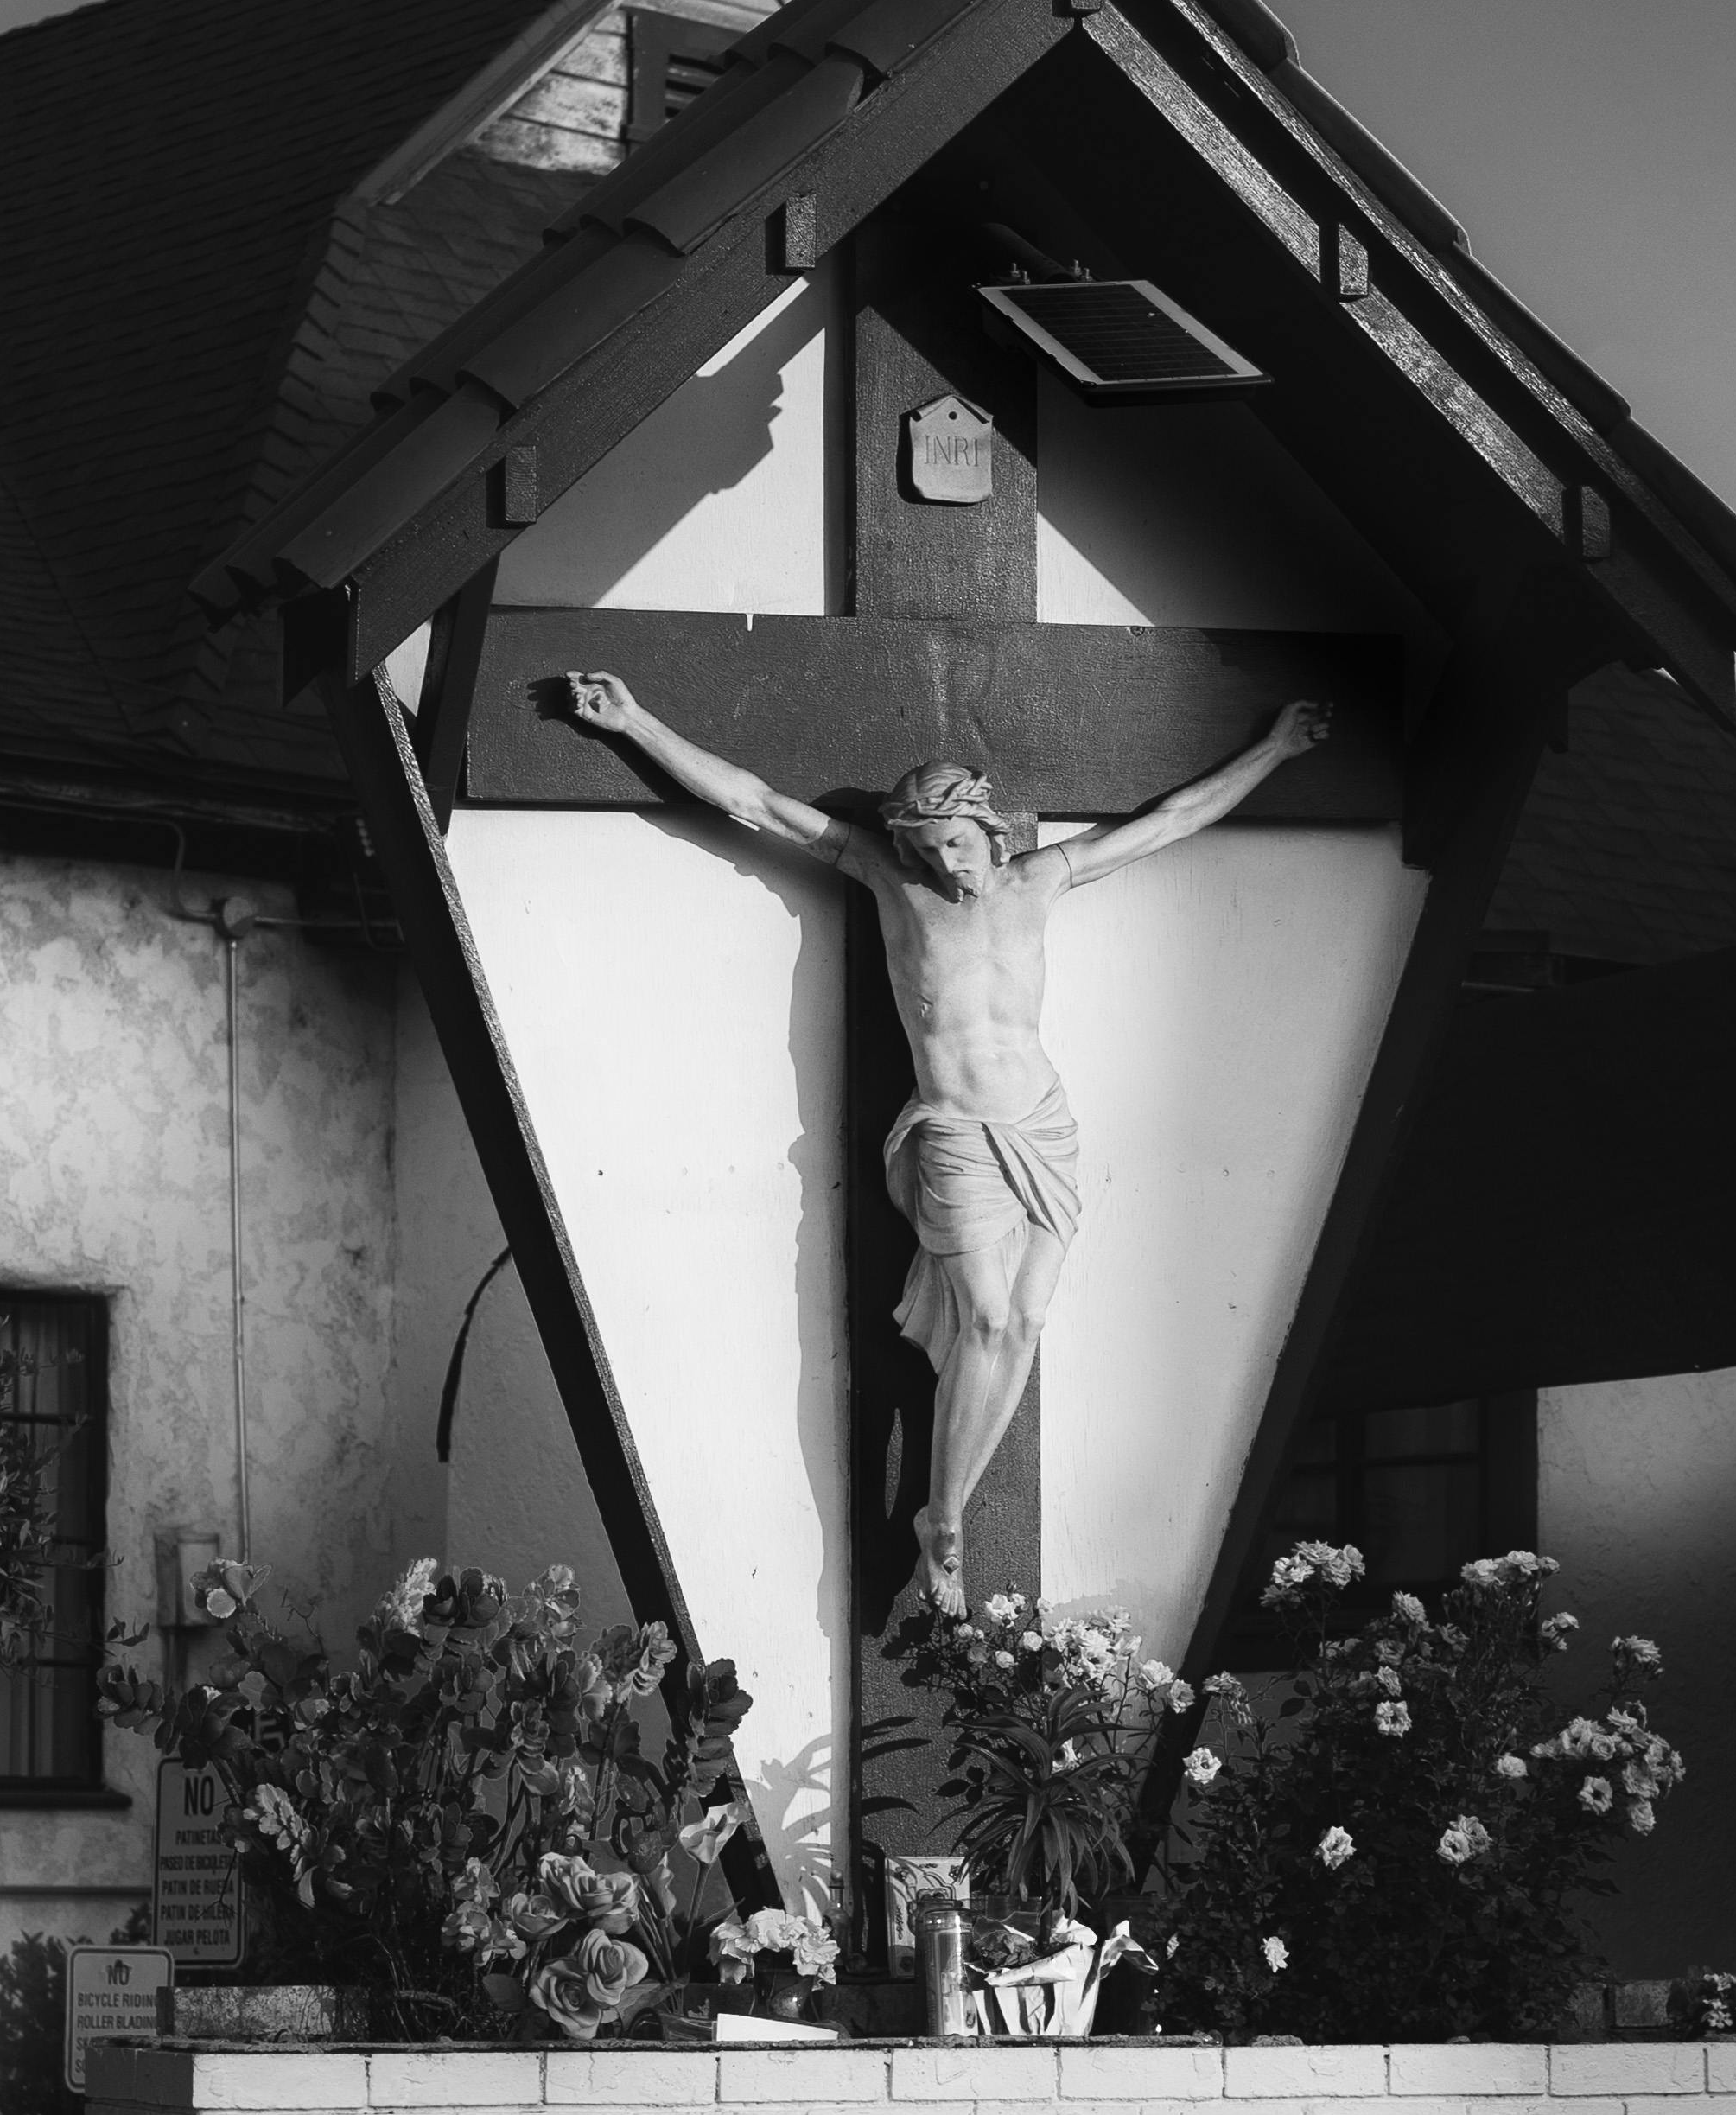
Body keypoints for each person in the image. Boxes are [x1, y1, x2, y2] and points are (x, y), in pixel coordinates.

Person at [560, 666, 1332, 1606]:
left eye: (958, 845)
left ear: (989, 829)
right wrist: (635, 719)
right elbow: (756, 802)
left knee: (1027, 1323)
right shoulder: (889, 881)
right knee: (991, 1318)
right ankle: (944, 1515)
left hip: (1042, 1126)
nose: (946, 865)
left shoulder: (1043, 878)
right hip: (958, 1135)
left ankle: (944, 1514)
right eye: (928, 851)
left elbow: (1169, 822)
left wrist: (1275, 750)